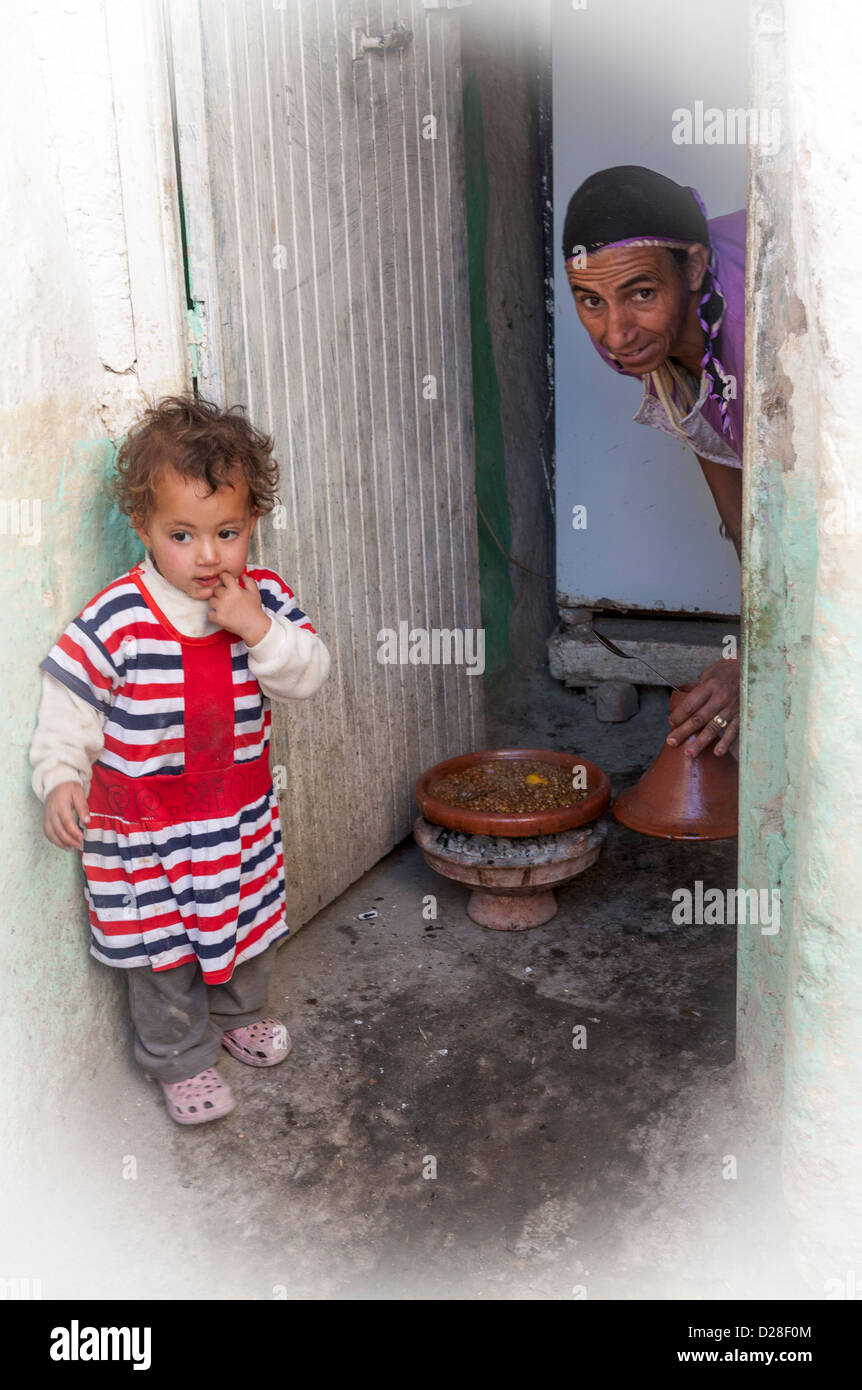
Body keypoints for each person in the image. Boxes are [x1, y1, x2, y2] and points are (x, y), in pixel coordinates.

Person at [29, 396, 330, 1125]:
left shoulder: (267, 601)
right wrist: (60, 777)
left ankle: (238, 1013)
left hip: (236, 819)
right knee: (161, 953)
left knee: (250, 923)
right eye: (182, 535)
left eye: (226, 533)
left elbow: (306, 675)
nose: (207, 556)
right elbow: (68, 712)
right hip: (144, 835)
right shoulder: (117, 619)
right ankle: (179, 1058)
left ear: (252, 521)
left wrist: (255, 626)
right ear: (143, 528)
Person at [562, 165, 744, 759]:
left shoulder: (762, 334)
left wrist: (761, 663)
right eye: (591, 301)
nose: (615, 333)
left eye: (641, 294)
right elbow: (743, 510)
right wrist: (756, 645)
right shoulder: (672, 352)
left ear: (693, 267)